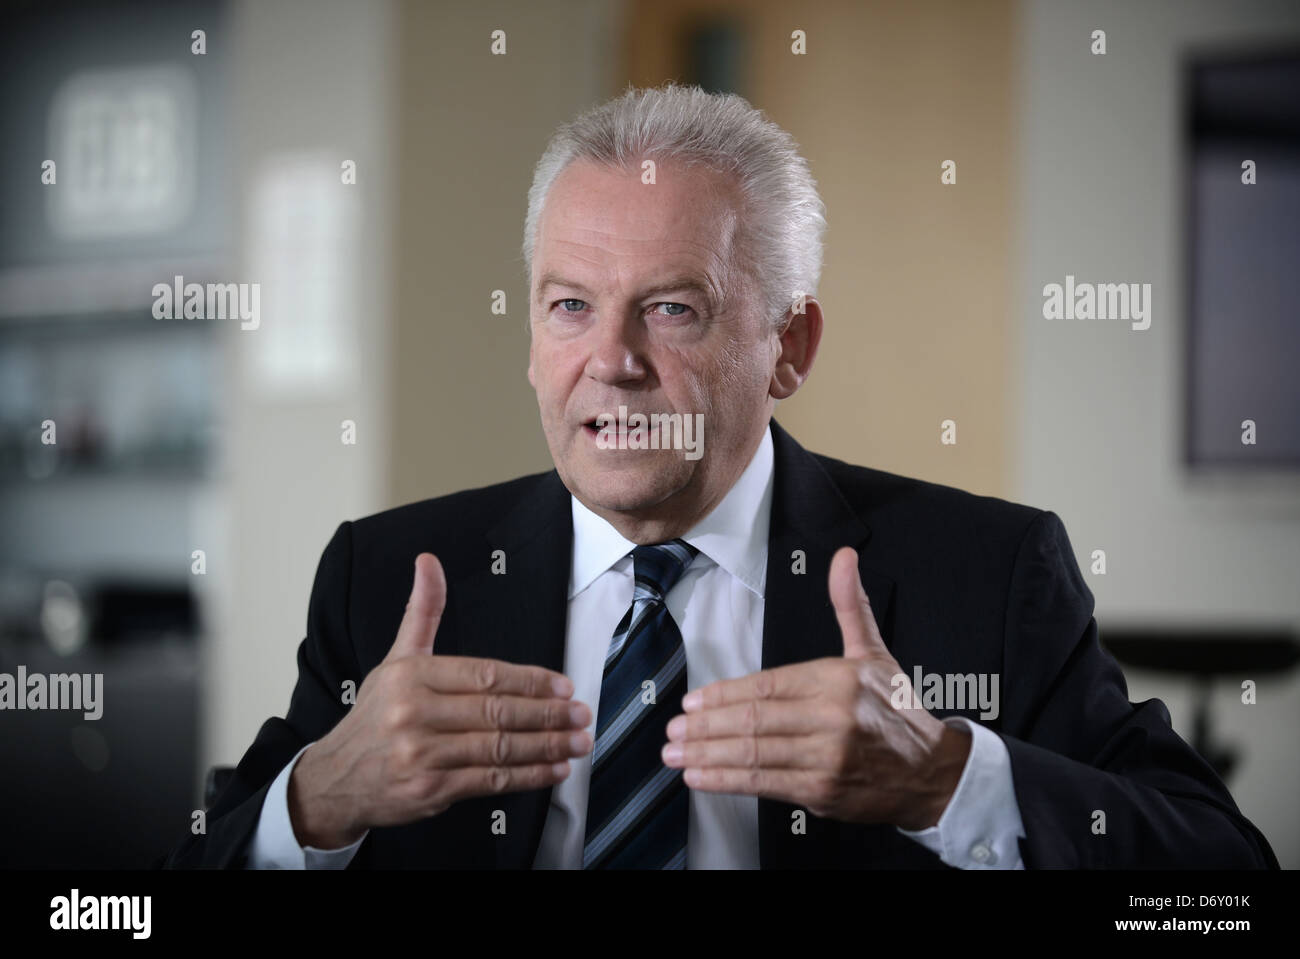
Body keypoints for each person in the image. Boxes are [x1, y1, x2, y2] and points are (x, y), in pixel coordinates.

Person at [164, 83, 1276, 870]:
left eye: (672, 307)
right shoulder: (390, 578)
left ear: (789, 346)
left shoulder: (984, 574)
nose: (612, 359)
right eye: (569, 306)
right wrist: (318, 803)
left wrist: (947, 777)